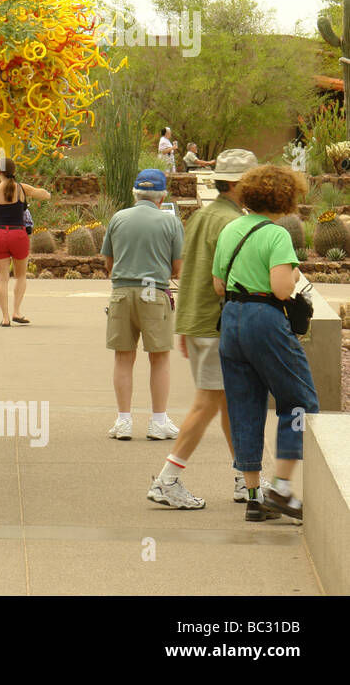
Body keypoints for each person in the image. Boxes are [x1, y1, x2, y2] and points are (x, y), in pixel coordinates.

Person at [146, 149, 272, 511]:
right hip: (218, 325)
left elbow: (188, 273)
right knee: (207, 404)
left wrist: (184, 324)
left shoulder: (204, 216)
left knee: (227, 404)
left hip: (201, 323)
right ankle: (167, 480)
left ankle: (244, 478)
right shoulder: (232, 222)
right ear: (238, 184)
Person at [213, 164, 318, 522]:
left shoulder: (230, 229)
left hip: (231, 320)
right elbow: (282, 289)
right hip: (265, 319)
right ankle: (282, 488)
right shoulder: (277, 235)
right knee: (300, 400)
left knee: (245, 405)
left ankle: (254, 496)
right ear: (285, 197)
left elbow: (217, 284)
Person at [101, 169, 183, 441]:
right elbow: (177, 268)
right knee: (159, 357)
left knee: (123, 356)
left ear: (135, 193)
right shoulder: (170, 223)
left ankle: (124, 421)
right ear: (162, 196)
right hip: (153, 291)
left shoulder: (118, 218)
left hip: (122, 292)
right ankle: (158, 421)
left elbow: (109, 264)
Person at [0, 157, 51, 327]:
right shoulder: (21, 189)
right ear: (13, 172)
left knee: (2, 279)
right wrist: (47, 193)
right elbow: (43, 194)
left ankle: (5, 318)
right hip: (18, 235)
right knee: (20, 276)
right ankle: (16, 311)